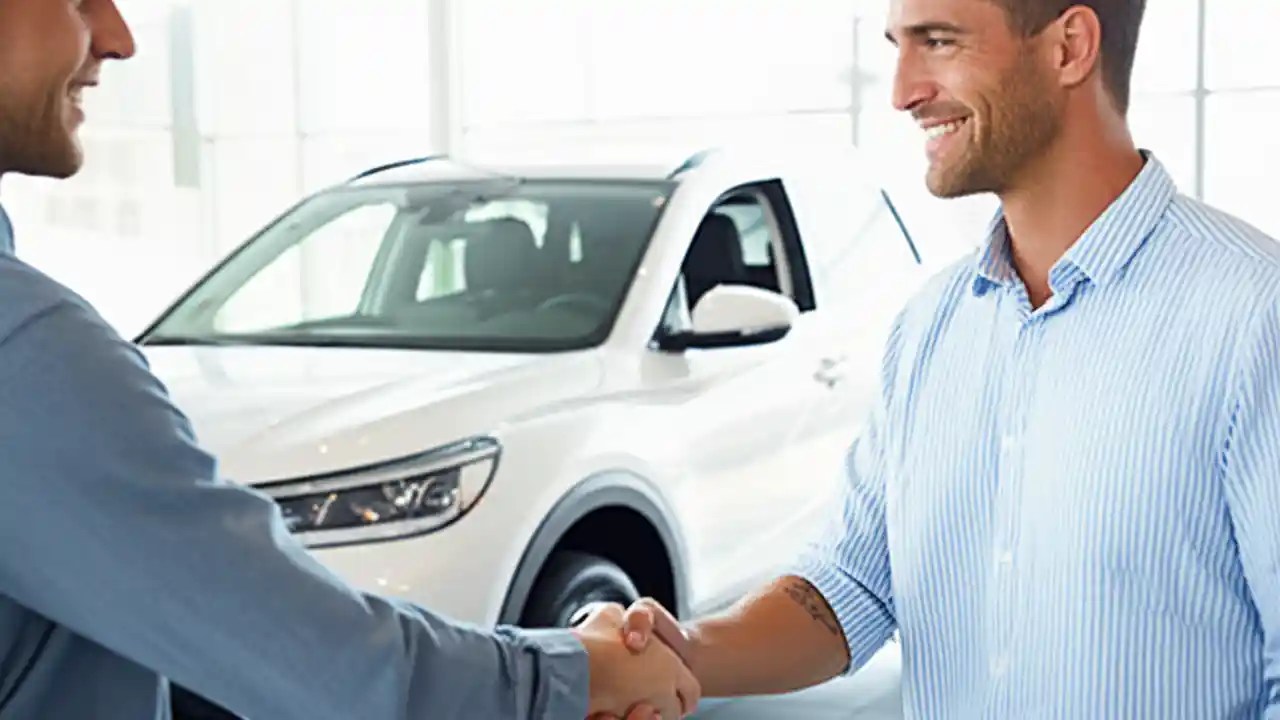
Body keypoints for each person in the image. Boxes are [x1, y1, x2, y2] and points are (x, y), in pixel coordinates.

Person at [0, 1, 701, 719]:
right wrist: (578, 673)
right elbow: (326, 664)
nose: (118, 39)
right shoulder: (31, 355)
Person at [598, 0, 1280, 717]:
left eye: (940, 42)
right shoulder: (930, 326)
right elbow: (854, 582)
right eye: (898, 45)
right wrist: (685, 653)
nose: (902, 93)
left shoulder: (1255, 317)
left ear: (1069, 47)